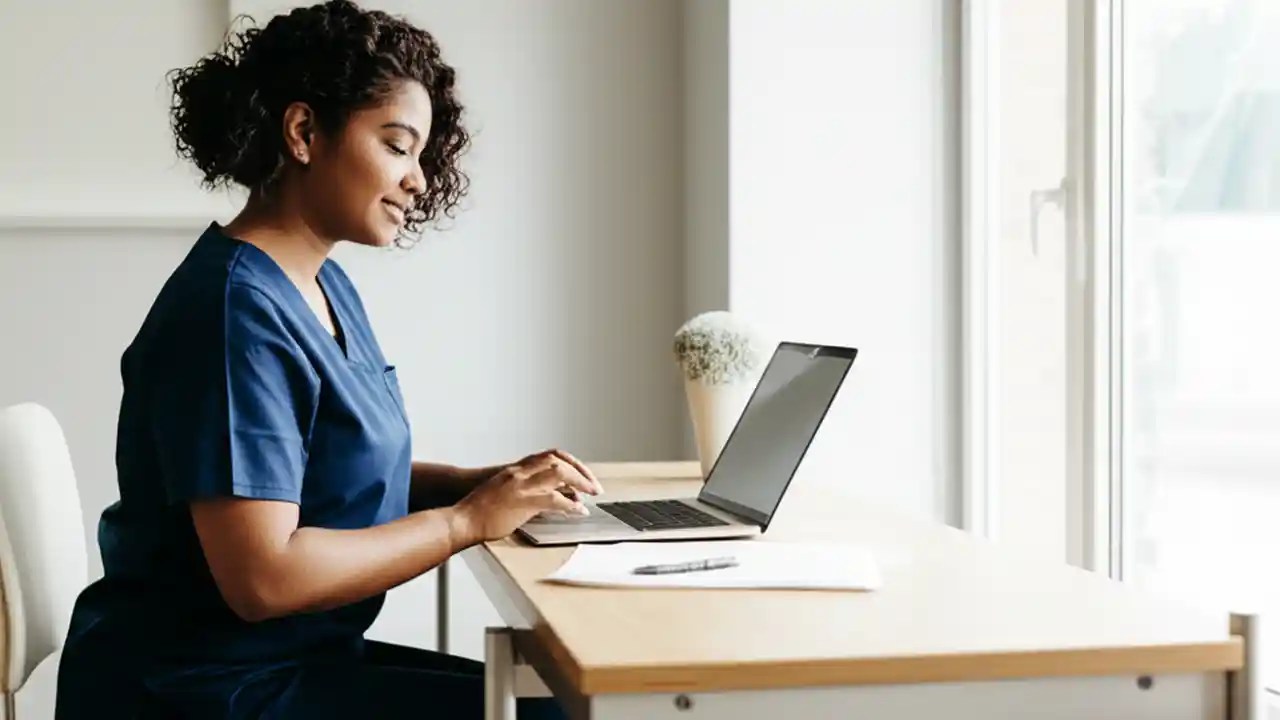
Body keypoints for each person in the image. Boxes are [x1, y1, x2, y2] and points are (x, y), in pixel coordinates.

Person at [54, 2, 596, 717]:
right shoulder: (232, 314)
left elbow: (327, 475)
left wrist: (483, 486)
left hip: (289, 661)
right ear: (305, 133)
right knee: (553, 711)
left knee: (555, 700)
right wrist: (465, 521)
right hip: (200, 689)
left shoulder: (321, 284)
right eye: (398, 146)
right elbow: (265, 579)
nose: (419, 179)